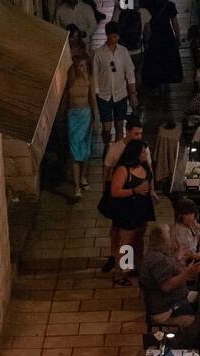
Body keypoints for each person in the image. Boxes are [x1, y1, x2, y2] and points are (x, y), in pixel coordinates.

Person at [101, 115, 152, 272]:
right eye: (136, 134)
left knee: (135, 236)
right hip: (123, 198)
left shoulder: (142, 149)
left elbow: (149, 169)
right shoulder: (116, 149)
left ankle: (132, 264)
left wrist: (152, 190)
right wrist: (105, 192)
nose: (139, 137)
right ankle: (119, 262)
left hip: (137, 202)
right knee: (120, 232)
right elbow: (107, 170)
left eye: (140, 134)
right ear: (127, 132)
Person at [107, 139, 154, 282]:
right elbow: (114, 192)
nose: (145, 155)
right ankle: (119, 273)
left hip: (142, 209)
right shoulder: (122, 169)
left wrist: (151, 192)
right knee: (126, 244)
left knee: (138, 239)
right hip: (127, 211)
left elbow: (149, 181)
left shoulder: (144, 166)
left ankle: (137, 267)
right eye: (142, 153)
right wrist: (134, 190)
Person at [139, 221, 200, 328]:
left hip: (175, 298)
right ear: (162, 239)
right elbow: (166, 286)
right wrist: (187, 273)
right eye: (169, 235)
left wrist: (178, 259)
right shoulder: (159, 260)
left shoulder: (157, 253)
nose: (171, 239)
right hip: (166, 310)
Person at [93, 21, 138, 153]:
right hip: (104, 95)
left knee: (119, 124)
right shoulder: (99, 53)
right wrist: (95, 96)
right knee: (106, 127)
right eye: (113, 36)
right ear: (107, 35)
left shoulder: (123, 52)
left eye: (117, 36)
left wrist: (133, 93)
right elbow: (94, 76)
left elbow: (130, 73)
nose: (115, 39)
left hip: (120, 94)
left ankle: (118, 151)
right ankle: (107, 146)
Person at [66, 53, 100, 199]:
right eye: (81, 66)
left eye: (86, 66)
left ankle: (83, 176)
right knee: (74, 151)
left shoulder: (89, 79)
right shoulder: (70, 79)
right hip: (73, 116)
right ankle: (77, 187)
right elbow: (65, 99)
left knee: (85, 149)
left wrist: (96, 117)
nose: (83, 69)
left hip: (85, 116)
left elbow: (92, 98)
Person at [141, 0, 183, 95]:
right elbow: (174, 23)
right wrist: (178, 37)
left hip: (153, 37)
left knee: (155, 61)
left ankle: (156, 85)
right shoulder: (169, 4)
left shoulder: (145, 4)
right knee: (167, 61)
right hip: (167, 36)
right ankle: (166, 85)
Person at [169, 197, 200, 261]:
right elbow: (192, 256)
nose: (190, 217)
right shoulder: (179, 230)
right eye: (186, 214)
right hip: (182, 264)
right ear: (180, 215)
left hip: (191, 260)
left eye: (191, 213)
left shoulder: (192, 225)